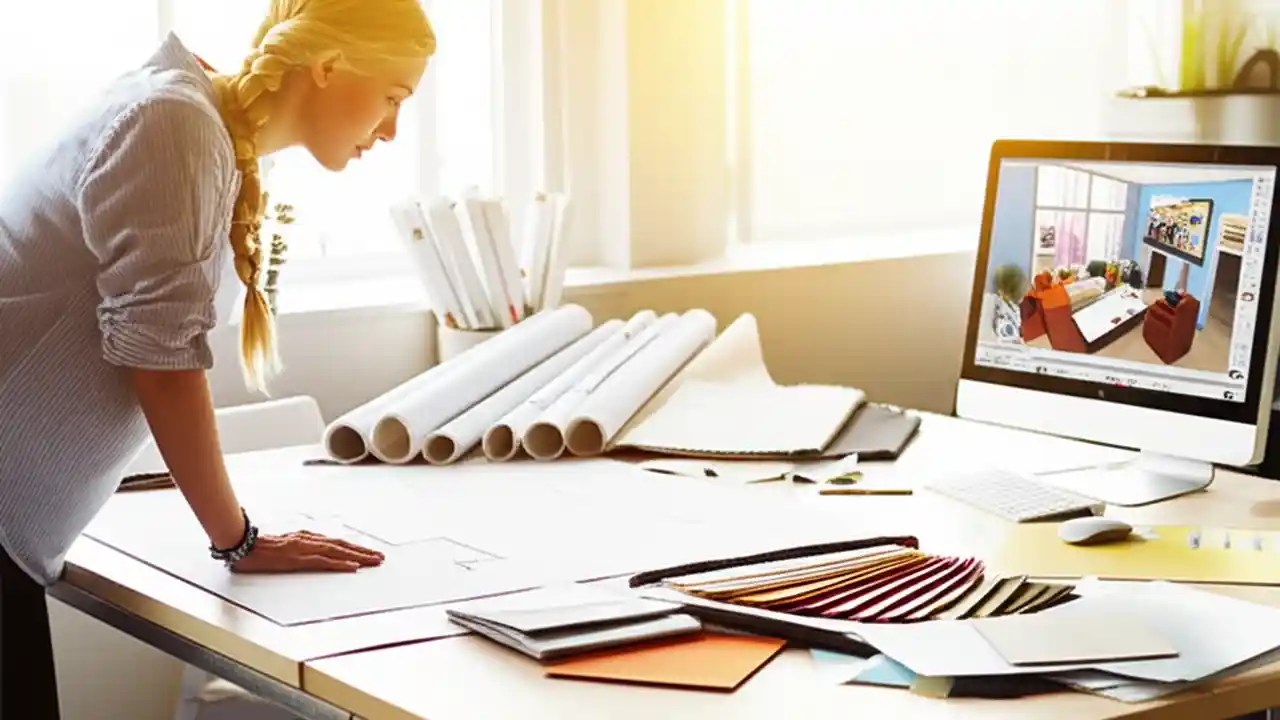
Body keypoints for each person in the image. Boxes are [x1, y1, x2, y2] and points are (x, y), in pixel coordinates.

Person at [0, 1, 436, 716]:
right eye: (393, 98)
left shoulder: (194, 120)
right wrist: (237, 540)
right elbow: (161, 362)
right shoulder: (173, 125)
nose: (390, 131)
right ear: (326, 67)